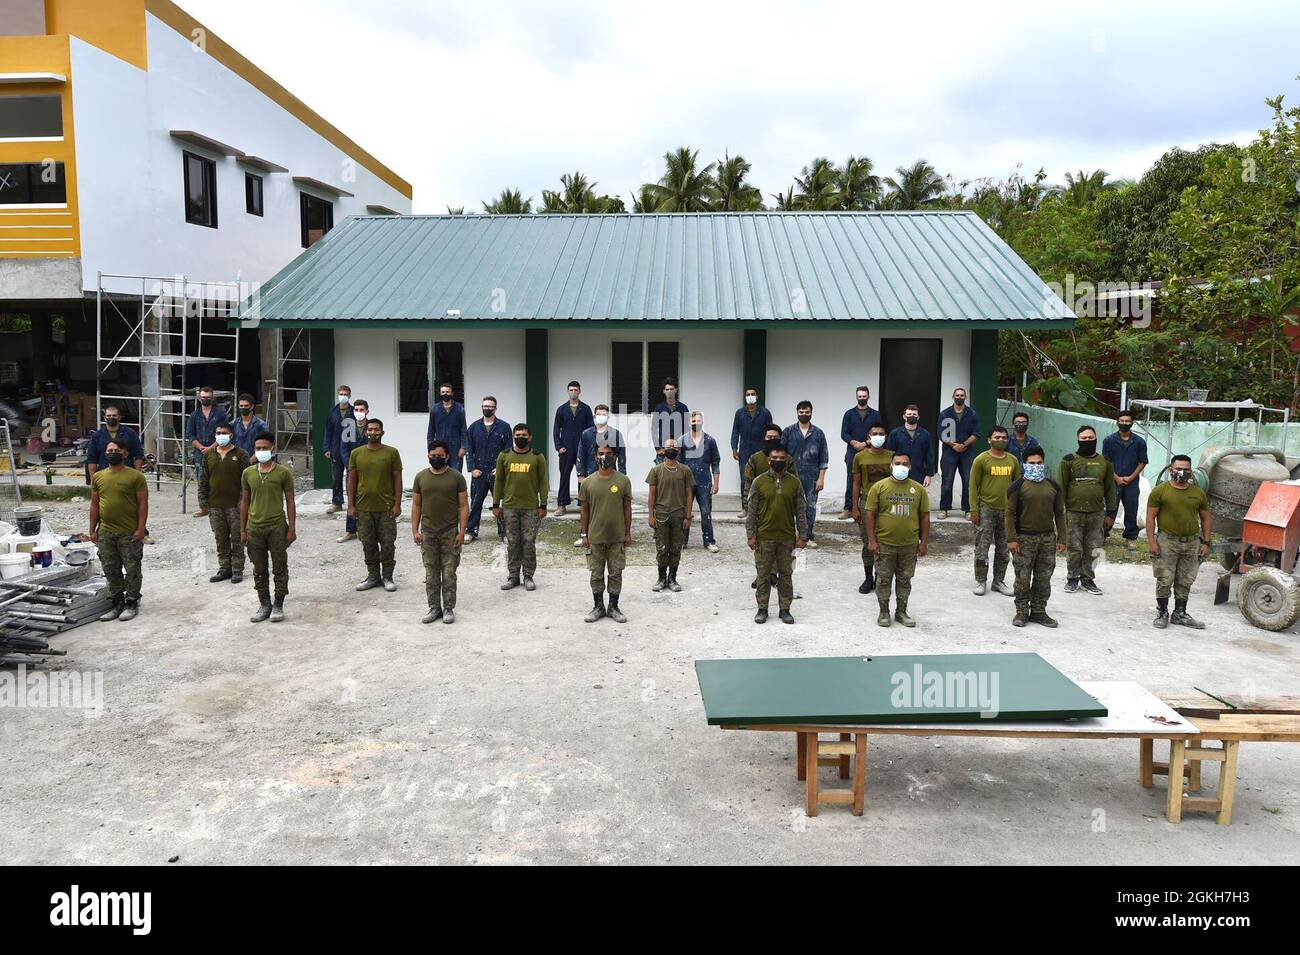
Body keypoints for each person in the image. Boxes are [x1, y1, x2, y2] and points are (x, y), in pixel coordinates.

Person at [864, 451, 930, 628]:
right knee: (884, 579)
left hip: (909, 545)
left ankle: (901, 611)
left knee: (905, 579)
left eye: (905, 463)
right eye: (897, 463)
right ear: (890, 465)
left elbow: (924, 517)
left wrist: (923, 542)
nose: (901, 466)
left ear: (910, 466)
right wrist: (872, 540)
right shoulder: (878, 487)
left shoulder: (918, 489)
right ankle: (883, 612)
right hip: (885, 544)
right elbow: (870, 515)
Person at [1146, 455, 1211, 630]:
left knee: (1185, 579)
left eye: (1186, 469)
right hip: (1167, 542)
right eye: (1178, 469)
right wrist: (1152, 542)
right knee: (1165, 578)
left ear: (1191, 471)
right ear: (1170, 470)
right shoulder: (1160, 491)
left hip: (1191, 543)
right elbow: (1150, 518)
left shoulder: (1198, 493)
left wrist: (1206, 542)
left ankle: (1180, 613)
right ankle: (1162, 612)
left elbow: (1205, 519)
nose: (1182, 472)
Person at [746, 443, 807, 624]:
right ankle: (762, 609)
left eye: (782, 458)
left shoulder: (795, 483)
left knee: (786, 575)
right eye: (775, 458)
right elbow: (751, 511)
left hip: (787, 538)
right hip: (764, 537)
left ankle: (785, 609)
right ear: (768, 460)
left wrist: (802, 536)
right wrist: (751, 535)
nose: (778, 461)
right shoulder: (759, 482)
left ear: (787, 459)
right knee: (763, 575)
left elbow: (801, 512)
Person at [1005, 448, 1067, 627]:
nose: (1036, 466)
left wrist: (1063, 538)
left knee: (1043, 577)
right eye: (1032, 463)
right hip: (1024, 539)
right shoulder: (1016, 487)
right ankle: (1022, 612)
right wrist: (1011, 539)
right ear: (1025, 464)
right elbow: (1009, 514)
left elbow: (1060, 514)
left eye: (1039, 463)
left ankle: (1039, 611)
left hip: (1047, 539)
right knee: (1022, 578)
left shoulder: (1053, 486)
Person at [240, 432, 296, 623]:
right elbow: (245, 502)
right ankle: (264, 603)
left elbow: (290, 501)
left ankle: (278, 604)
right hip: (254, 528)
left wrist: (292, 528)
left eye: (265, 448)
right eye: (258, 448)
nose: (261, 451)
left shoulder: (283, 473)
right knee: (259, 568)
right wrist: (242, 529)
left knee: (280, 567)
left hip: (277, 527)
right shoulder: (248, 473)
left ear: (274, 449)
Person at [89, 439, 148, 622]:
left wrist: (140, 529)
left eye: (116, 450)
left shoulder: (135, 477)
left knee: (132, 568)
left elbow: (143, 504)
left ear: (125, 454)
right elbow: (94, 505)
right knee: (110, 568)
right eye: (109, 450)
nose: (112, 453)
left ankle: (131, 602)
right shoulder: (98, 477)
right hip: (106, 532)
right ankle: (117, 603)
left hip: (129, 532)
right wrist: (92, 530)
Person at [412, 440, 469, 625]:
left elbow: (463, 506)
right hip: (428, 533)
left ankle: (448, 608)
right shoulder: (420, 477)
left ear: (447, 456)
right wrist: (415, 530)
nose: (436, 458)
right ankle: (434, 607)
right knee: (431, 573)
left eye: (440, 456)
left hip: (450, 532)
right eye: (433, 455)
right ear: (428, 456)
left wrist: (462, 532)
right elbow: (416, 505)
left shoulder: (457, 477)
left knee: (449, 572)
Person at [348, 417, 403, 593]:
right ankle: (373, 576)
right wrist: (351, 505)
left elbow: (398, 479)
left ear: (382, 432)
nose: (373, 432)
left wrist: (397, 504)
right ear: (366, 432)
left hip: (386, 507)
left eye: (376, 429)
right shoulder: (356, 453)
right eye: (370, 429)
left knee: (387, 544)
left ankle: (387, 576)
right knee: (368, 543)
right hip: (363, 508)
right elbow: (352, 480)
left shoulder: (391, 453)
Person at [579, 445, 633, 623]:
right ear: (595, 457)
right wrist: (585, 535)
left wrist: (627, 533)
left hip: (617, 537)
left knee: (616, 573)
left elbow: (627, 508)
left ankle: (613, 607)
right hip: (595, 538)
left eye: (609, 454)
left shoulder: (623, 481)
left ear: (615, 457)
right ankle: (598, 606)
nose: (605, 457)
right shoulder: (587, 483)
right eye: (601, 454)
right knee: (596, 573)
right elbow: (584, 511)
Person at [1059, 425, 1116, 595]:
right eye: (1084, 438)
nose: (1087, 440)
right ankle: (1072, 579)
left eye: (1090, 437)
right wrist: (1060, 513)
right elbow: (1061, 487)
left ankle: (1088, 580)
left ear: (1096, 438)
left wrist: (1111, 513)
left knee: (1093, 547)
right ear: (1078, 439)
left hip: (1096, 513)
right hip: (1073, 512)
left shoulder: (1105, 462)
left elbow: (1110, 489)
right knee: (1074, 547)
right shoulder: (1068, 460)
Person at [492, 423, 548, 591]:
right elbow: (499, 481)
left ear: (530, 437)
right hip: (510, 507)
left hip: (531, 508)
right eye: (517, 435)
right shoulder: (504, 456)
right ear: (513, 437)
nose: (520, 438)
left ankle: (528, 576)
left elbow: (543, 482)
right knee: (512, 542)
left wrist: (543, 505)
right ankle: (513, 576)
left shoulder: (537, 457)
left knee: (529, 542)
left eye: (524, 435)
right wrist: (496, 504)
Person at [86, 404, 152, 545]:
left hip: (126, 475)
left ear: (119, 417)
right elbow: (91, 459)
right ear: (104, 418)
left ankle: (141, 531)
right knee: (102, 505)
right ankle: (98, 532)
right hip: (105, 477)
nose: (111, 418)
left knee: (133, 504)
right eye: (108, 416)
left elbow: (138, 455)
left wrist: (137, 473)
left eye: (114, 416)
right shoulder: (97, 436)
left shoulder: (130, 434)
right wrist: (93, 480)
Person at [968, 425, 1021, 596]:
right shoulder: (981, 460)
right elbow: (973, 487)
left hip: (1007, 512)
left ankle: (998, 581)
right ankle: (981, 581)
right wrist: (974, 511)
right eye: (997, 437)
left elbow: (1017, 487)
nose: (1001, 440)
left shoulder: (1013, 460)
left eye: (1004, 437)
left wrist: (1017, 511)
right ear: (989, 440)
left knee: (1004, 549)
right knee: (982, 548)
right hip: (986, 509)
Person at [850, 423, 894, 594]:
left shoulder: (892, 456)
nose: (877, 436)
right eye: (874, 433)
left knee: (883, 541)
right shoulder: (859, 457)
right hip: (866, 502)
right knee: (868, 541)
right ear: (868, 437)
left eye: (881, 433)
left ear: (886, 436)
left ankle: (880, 576)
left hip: (887, 502)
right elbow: (856, 483)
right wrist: (854, 507)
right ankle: (868, 578)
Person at [646, 437, 694, 592]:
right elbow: (652, 494)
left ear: (678, 450)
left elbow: (689, 494)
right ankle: (661, 578)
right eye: (669, 446)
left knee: (675, 548)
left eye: (674, 446)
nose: (671, 448)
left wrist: (688, 515)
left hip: (679, 516)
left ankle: (672, 578)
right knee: (662, 548)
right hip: (661, 515)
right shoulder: (656, 470)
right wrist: (651, 515)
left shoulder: (685, 470)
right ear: (663, 450)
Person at [204, 422, 249, 584]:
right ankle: (224, 568)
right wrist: (203, 501)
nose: (220, 434)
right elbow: (203, 480)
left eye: (224, 432)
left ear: (231, 435)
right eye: (218, 432)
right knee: (220, 538)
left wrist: (245, 503)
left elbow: (247, 481)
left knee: (237, 538)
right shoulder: (209, 455)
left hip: (235, 505)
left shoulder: (241, 454)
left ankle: (237, 569)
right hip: (215, 505)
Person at [782, 401, 829, 548]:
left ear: (811, 413)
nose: (804, 414)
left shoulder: (818, 433)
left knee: (810, 507)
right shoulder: (788, 432)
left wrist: (821, 478)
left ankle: (808, 536)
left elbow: (824, 458)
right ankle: (790, 535)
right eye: (801, 412)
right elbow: (781, 454)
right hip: (791, 475)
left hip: (812, 476)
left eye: (807, 412)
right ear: (797, 413)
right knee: (789, 506)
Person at [465, 395, 511, 543]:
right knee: (476, 503)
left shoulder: (504, 427)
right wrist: (472, 469)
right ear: (482, 407)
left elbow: (508, 450)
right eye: (485, 406)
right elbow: (468, 449)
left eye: (490, 406)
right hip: (479, 472)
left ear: (495, 408)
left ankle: (504, 532)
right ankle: (471, 531)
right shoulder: (473, 427)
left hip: (496, 472)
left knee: (501, 502)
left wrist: (501, 469)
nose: (487, 408)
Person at [1103, 410, 1149, 552]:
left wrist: (1131, 477)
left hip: (1132, 482)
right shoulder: (1109, 441)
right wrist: (1116, 477)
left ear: (1132, 423)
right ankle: (1103, 534)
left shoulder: (1139, 442)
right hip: (1113, 481)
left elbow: (1142, 461)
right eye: (1121, 421)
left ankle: (1131, 538)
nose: (1124, 423)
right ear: (1117, 422)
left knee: (1131, 510)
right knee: (1110, 508)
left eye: (1127, 421)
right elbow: (1106, 461)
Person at [185, 385, 229, 517]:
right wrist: (200, 447)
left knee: (218, 478)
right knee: (201, 480)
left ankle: (218, 506)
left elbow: (225, 432)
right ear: (199, 398)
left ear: (212, 397)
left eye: (208, 397)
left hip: (218, 450)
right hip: (200, 453)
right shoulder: (194, 415)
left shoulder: (220, 413)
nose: (206, 399)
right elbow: (190, 434)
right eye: (203, 397)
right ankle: (204, 508)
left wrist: (212, 447)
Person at [839, 386, 883, 517]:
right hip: (853, 452)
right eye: (860, 396)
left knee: (871, 478)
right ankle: (849, 508)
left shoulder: (875, 414)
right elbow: (844, 433)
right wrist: (854, 443)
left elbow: (879, 432)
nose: (862, 398)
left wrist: (865, 443)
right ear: (856, 397)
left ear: (869, 397)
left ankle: (872, 507)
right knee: (851, 479)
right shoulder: (849, 414)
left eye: (864, 396)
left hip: (870, 450)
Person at [937, 386, 980, 519]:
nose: (959, 397)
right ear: (953, 397)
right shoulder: (945, 414)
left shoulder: (972, 414)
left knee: (968, 482)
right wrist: (953, 445)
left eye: (962, 395)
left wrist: (964, 445)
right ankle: (944, 509)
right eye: (957, 395)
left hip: (967, 453)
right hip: (949, 452)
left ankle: (967, 510)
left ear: (965, 397)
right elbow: (941, 434)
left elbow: (976, 433)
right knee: (947, 482)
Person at [681, 411, 721, 553]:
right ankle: (682, 540)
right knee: (685, 511)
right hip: (686, 483)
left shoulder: (710, 441)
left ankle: (709, 541)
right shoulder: (682, 440)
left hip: (704, 482)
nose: (695, 423)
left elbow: (716, 463)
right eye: (693, 421)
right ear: (689, 423)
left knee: (706, 511)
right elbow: (678, 463)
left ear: (702, 422)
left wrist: (716, 483)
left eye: (698, 421)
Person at [552, 381, 593, 515]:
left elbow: (591, 429)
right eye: (571, 390)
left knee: (583, 477)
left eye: (576, 390)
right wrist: (559, 447)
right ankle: (562, 505)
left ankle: (583, 505)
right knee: (564, 476)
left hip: (582, 448)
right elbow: (556, 430)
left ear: (580, 391)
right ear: (567, 391)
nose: (573, 392)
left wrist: (589, 447)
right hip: (566, 449)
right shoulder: (562, 409)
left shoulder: (585, 409)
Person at [331, 399, 369, 543]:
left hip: (368, 471)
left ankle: (366, 530)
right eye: (357, 410)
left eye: (362, 410)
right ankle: (351, 530)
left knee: (367, 499)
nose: (359, 413)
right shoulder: (349, 427)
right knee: (352, 500)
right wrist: (350, 466)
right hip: (353, 470)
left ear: (367, 411)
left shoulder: (371, 427)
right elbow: (344, 449)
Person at [731, 387, 772, 512]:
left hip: (761, 450)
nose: (750, 396)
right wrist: (734, 448)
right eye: (748, 394)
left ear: (757, 396)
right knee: (745, 479)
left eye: (753, 394)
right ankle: (745, 508)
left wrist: (770, 449)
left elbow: (770, 431)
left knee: (762, 478)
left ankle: (762, 508)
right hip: (744, 451)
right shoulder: (740, 413)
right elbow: (735, 431)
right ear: (745, 397)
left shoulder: (765, 413)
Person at [885, 405, 934, 487]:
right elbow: (889, 454)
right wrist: (889, 472)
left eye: (914, 415)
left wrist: (928, 475)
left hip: (918, 474)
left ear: (918, 417)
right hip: (898, 472)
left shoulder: (925, 434)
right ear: (904, 416)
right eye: (909, 414)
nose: (912, 416)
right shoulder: (895, 434)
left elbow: (929, 455)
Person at [427, 383, 468, 472]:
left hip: (456, 449)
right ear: (440, 393)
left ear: (452, 393)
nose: (445, 394)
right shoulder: (435, 409)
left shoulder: (459, 409)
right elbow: (431, 430)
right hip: (439, 448)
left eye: (447, 392)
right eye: (443, 392)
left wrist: (464, 447)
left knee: (456, 473)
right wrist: (430, 447)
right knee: (440, 472)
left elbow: (463, 429)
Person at [651, 377, 690, 461]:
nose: (669, 392)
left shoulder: (683, 408)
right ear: (664, 391)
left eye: (671, 389)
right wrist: (657, 448)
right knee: (661, 473)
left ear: (676, 390)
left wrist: (682, 447)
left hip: (678, 450)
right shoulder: (659, 408)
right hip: (663, 450)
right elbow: (653, 429)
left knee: (679, 473)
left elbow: (687, 429)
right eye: (667, 389)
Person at [743, 424, 783, 500]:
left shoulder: (787, 459)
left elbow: (794, 484)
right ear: (764, 438)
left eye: (775, 437)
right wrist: (746, 507)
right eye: (769, 437)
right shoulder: (754, 459)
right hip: (760, 503)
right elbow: (748, 485)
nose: (772, 439)